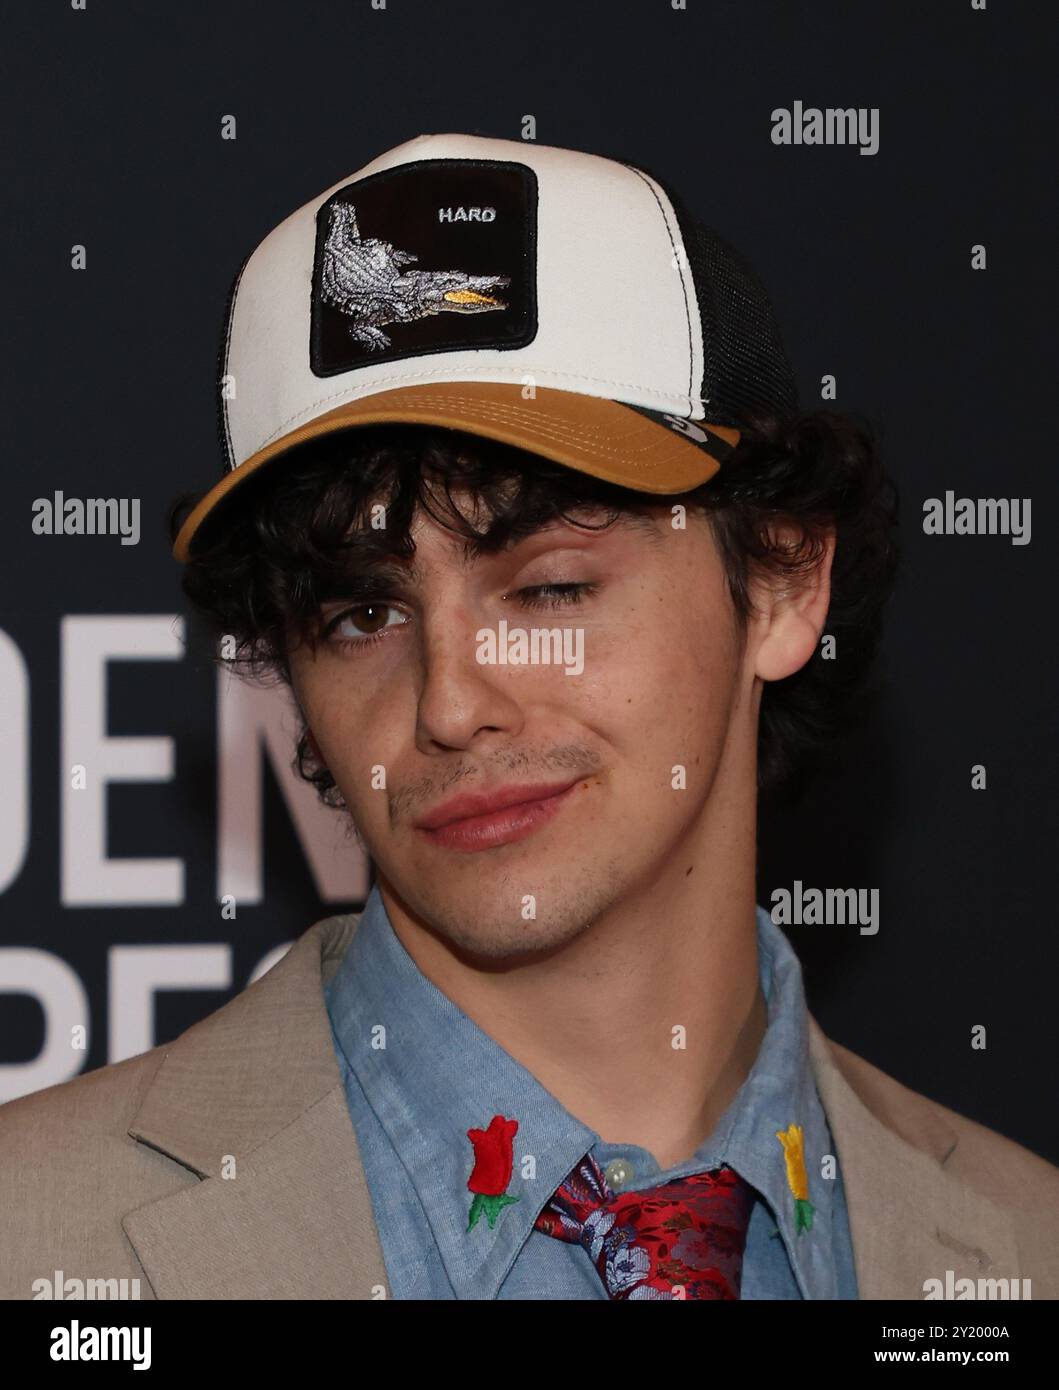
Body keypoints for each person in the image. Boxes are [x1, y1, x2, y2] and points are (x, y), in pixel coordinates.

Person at [1, 132, 1056, 1302]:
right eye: (362, 612)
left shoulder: (1024, 1246)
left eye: (551, 585)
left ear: (781, 583)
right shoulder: (35, 1244)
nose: (451, 701)